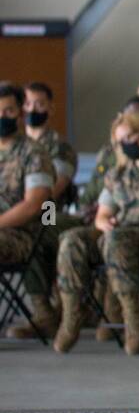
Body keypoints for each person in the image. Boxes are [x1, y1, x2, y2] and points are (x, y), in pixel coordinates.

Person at [51, 111, 139, 355]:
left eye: (129, 138)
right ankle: (71, 315)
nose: (124, 145)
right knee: (73, 239)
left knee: (116, 239)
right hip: (121, 234)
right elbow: (102, 214)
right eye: (119, 141)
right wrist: (104, 222)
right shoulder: (118, 174)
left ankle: (133, 315)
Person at [4, 81, 82, 338]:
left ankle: (47, 309)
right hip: (18, 218)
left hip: (44, 213)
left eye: (9, 111)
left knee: (47, 225)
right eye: (30, 103)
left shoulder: (52, 147)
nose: (34, 108)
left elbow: (48, 195)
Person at [0, 88, 54, 315]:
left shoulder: (33, 153)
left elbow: (34, 205)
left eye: (8, 110)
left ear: (20, 114)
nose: (2, 116)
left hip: (21, 234)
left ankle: (44, 312)